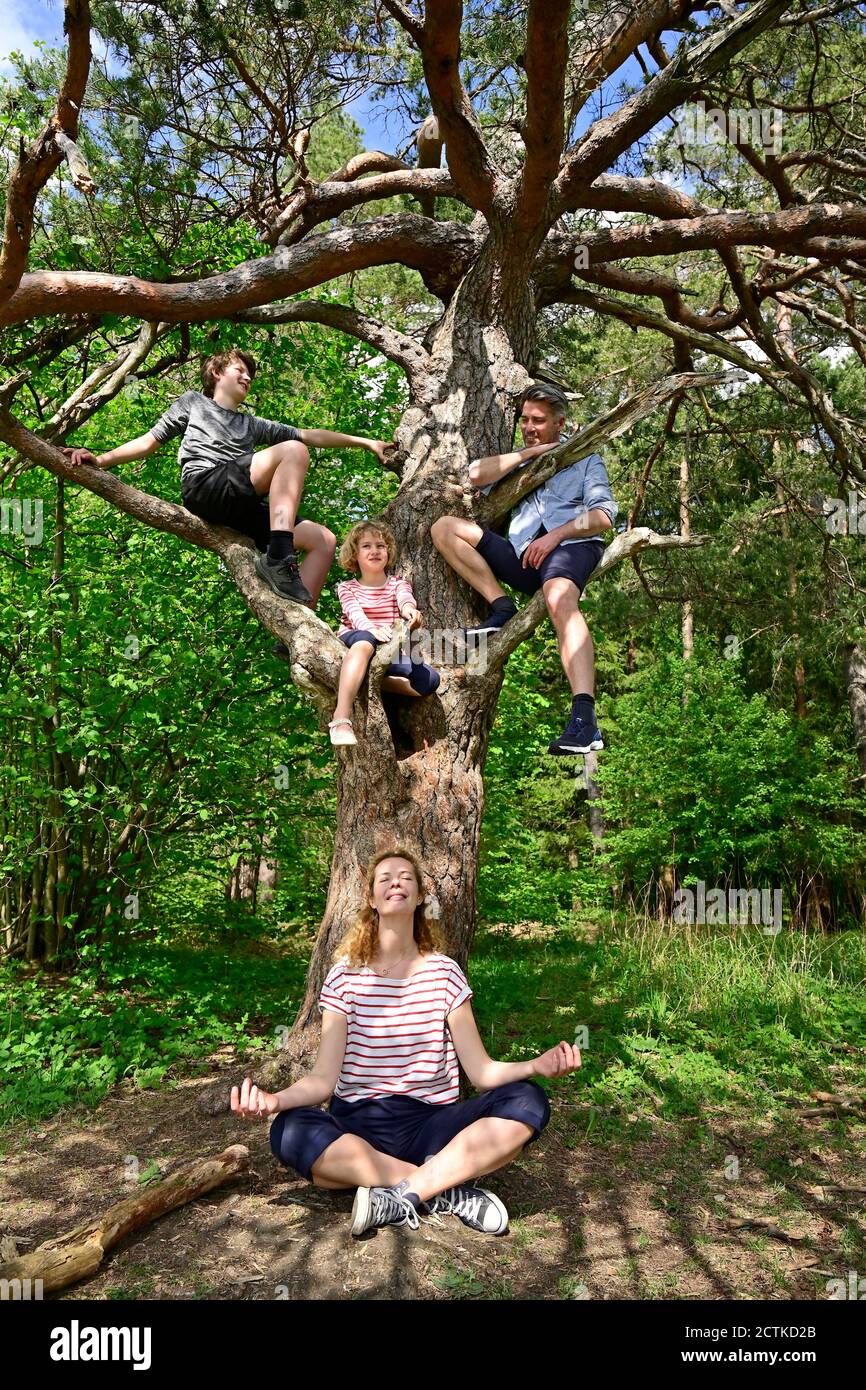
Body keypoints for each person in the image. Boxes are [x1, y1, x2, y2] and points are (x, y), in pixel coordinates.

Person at [231, 847, 580, 1237]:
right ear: (371, 899)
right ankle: (441, 1189)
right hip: (359, 1127)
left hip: (432, 1126)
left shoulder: (445, 974)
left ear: (418, 897)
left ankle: (401, 1192)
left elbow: (481, 1072)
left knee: (527, 1101)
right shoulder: (344, 977)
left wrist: (536, 1065)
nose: (395, 882)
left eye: (406, 878)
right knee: (289, 1131)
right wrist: (273, 1101)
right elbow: (322, 1081)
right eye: (385, 878)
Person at [62, 347, 394, 609]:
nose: (247, 377)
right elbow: (149, 442)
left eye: (250, 374)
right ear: (217, 373)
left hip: (239, 503)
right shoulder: (193, 403)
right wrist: (100, 459)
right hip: (205, 486)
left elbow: (311, 434)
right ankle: (279, 556)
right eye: (240, 370)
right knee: (292, 450)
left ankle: (299, 612)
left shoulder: (251, 424)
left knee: (323, 540)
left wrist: (364, 442)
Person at [431, 382, 618, 755]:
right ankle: (501, 607)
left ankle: (584, 720)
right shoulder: (520, 459)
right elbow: (474, 474)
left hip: (571, 548)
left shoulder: (586, 460)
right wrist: (528, 453)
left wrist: (555, 537)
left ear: (560, 423)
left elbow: (603, 516)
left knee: (559, 597)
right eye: (525, 420)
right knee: (444, 528)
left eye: (539, 421)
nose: (529, 426)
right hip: (524, 556)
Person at [328, 521, 441, 747]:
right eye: (366, 546)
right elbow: (355, 614)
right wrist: (372, 629)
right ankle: (341, 718)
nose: (375, 551)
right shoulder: (347, 587)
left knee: (428, 680)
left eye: (380, 545)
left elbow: (405, 599)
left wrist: (410, 611)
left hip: (387, 648)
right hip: (356, 639)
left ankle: (370, 679)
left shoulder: (397, 584)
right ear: (355, 555)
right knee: (365, 641)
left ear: (388, 552)